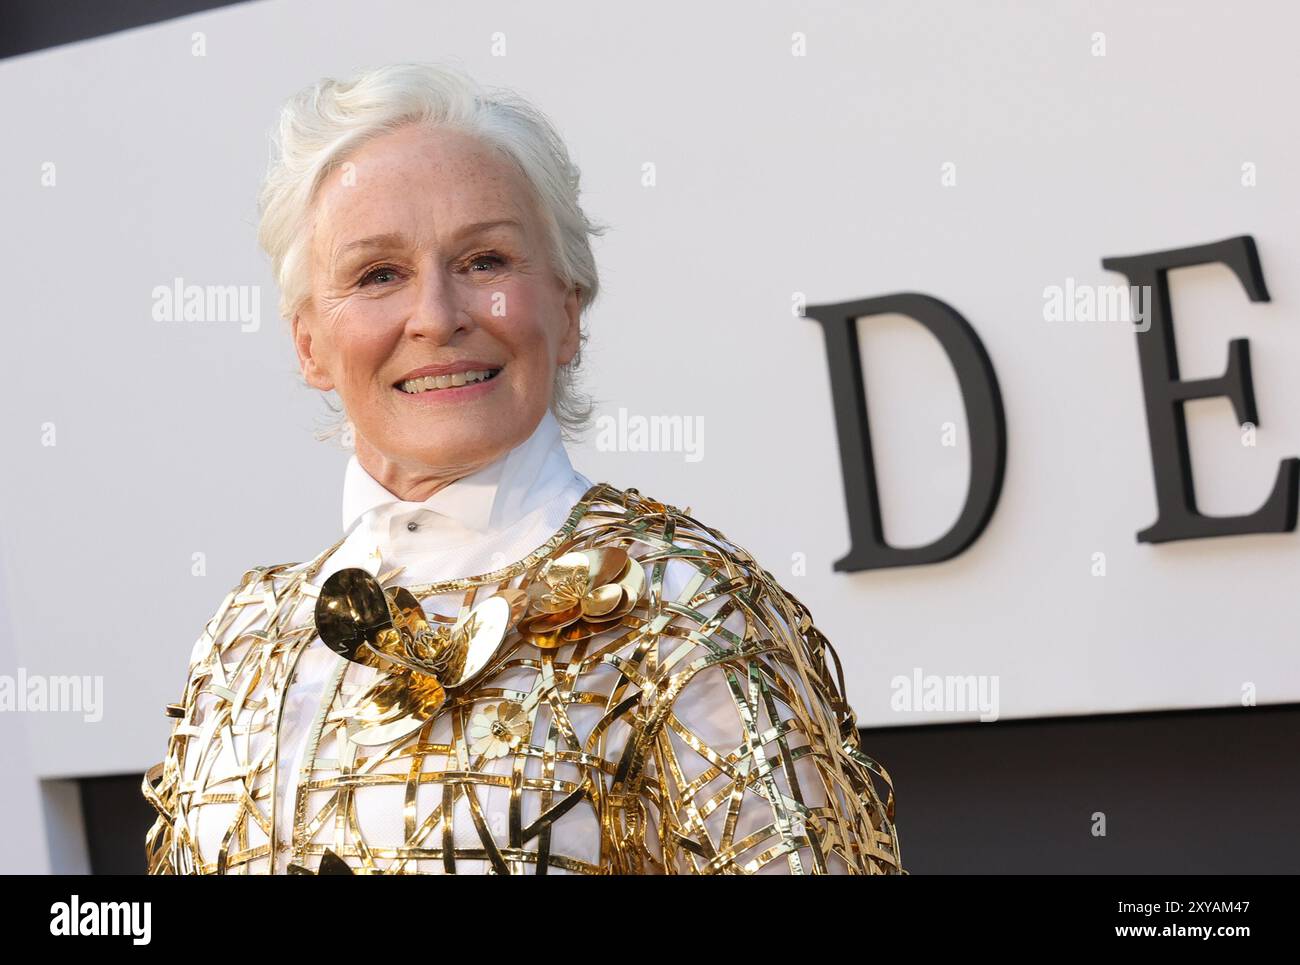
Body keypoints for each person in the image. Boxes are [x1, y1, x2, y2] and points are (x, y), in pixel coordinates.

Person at [142, 62, 904, 875]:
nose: (436, 316)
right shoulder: (245, 642)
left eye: (485, 261)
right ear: (307, 344)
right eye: (378, 275)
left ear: (567, 312)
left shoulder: (686, 607)